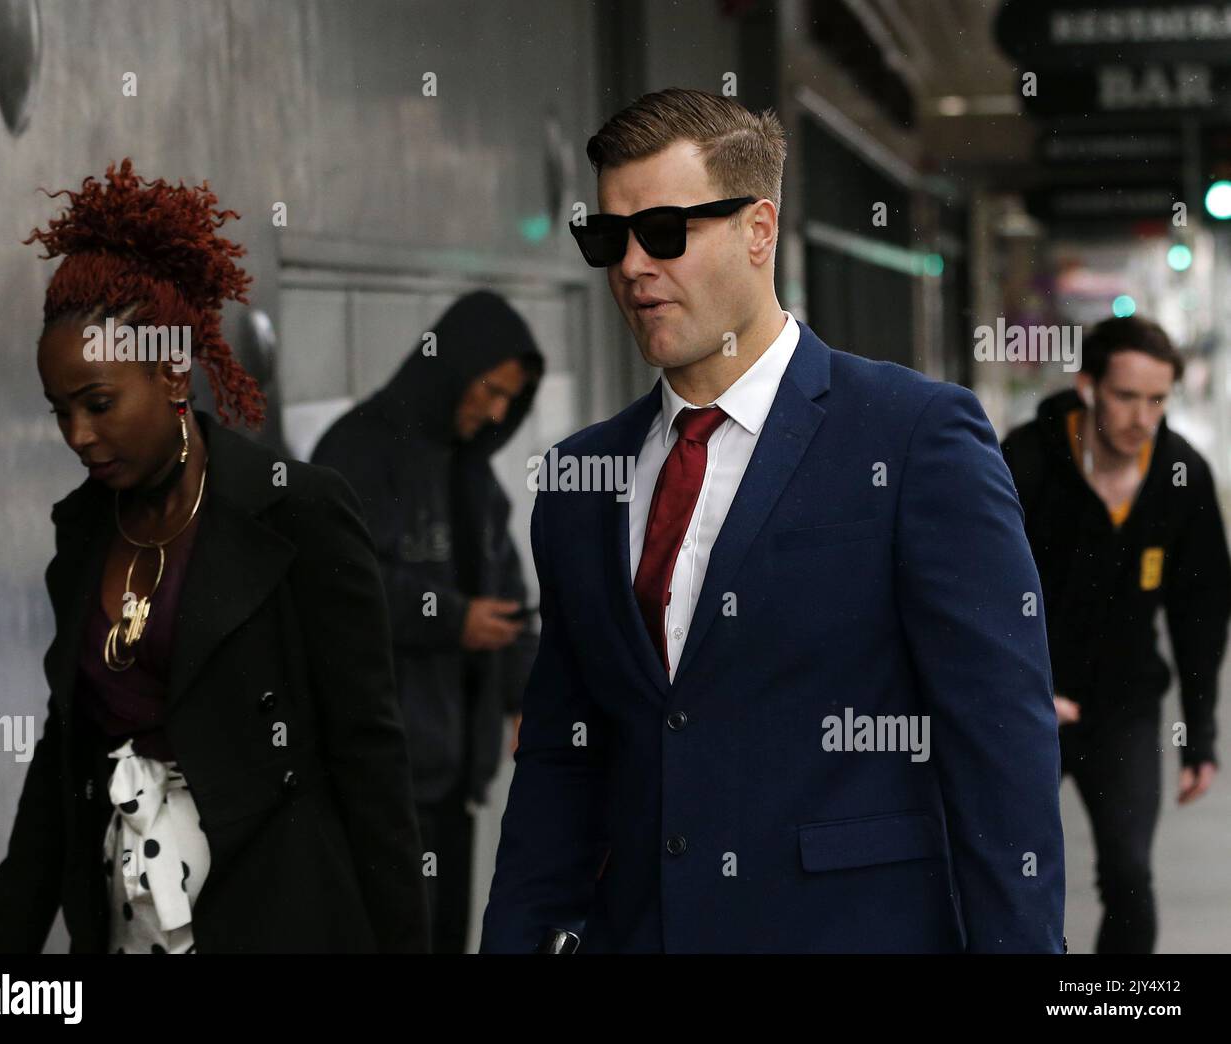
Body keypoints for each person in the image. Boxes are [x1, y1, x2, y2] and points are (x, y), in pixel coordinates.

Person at [480, 88, 1066, 953]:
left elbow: (999, 743)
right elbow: (566, 758)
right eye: (609, 238)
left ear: (760, 230)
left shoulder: (914, 437)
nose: (634, 266)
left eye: (666, 233)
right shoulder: (576, 478)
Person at [0, 159, 429, 953]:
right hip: (126, 917)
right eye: (60, 411)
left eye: (99, 404)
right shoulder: (82, 532)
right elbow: (62, 760)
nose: (78, 435)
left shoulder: (298, 511)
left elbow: (370, 757)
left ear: (172, 372)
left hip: (277, 916)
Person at [312, 290, 542, 953]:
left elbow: (510, 595)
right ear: (454, 367)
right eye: (490, 390)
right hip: (380, 780)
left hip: (453, 777)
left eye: (509, 399)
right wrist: (449, 619)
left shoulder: (471, 474)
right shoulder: (359, 451)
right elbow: (333, 586)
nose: (497, 411)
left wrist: (524, 697)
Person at [1001, 315, 1231, 953]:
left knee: (1130, 877)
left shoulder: (1181, 477)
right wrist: (1020, 690)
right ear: (1088, 386)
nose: (1142, 417)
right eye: (1127, 396)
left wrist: (1201, 736)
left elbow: (1200, 614)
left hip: (1122, 708)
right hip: (1023, 705)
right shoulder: (1024, 462)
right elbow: (975, 597)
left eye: (1158, 399)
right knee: (999, 873)